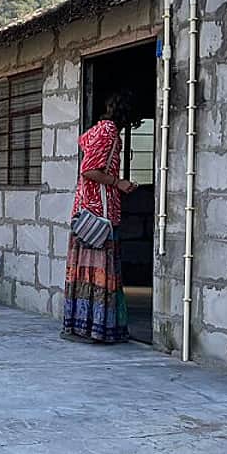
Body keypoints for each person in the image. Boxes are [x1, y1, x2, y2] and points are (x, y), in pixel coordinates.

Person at [62, 92, 138, 343]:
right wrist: (119, 182)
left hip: (84, 210)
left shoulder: (97, 130)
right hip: (100, 214)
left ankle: (79, 325)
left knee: (82, 270)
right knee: (102, 270)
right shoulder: (109, 133)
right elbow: (89, 170)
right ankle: (98, 329)